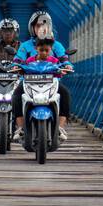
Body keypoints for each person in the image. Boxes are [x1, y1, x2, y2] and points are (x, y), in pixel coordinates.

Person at [12, 10, 72, 143]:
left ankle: (61, 127)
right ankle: (20, 127)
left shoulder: (56, 45)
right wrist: (15, 66)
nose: (41, 29)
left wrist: (67, 65)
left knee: (65, 94)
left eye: (44, 26)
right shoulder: (26, 45)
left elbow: (63, 58)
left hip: (52, 81)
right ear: (32, 27)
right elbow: (18, 59)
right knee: (16, 95)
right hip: (28, 81)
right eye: (38, 26)